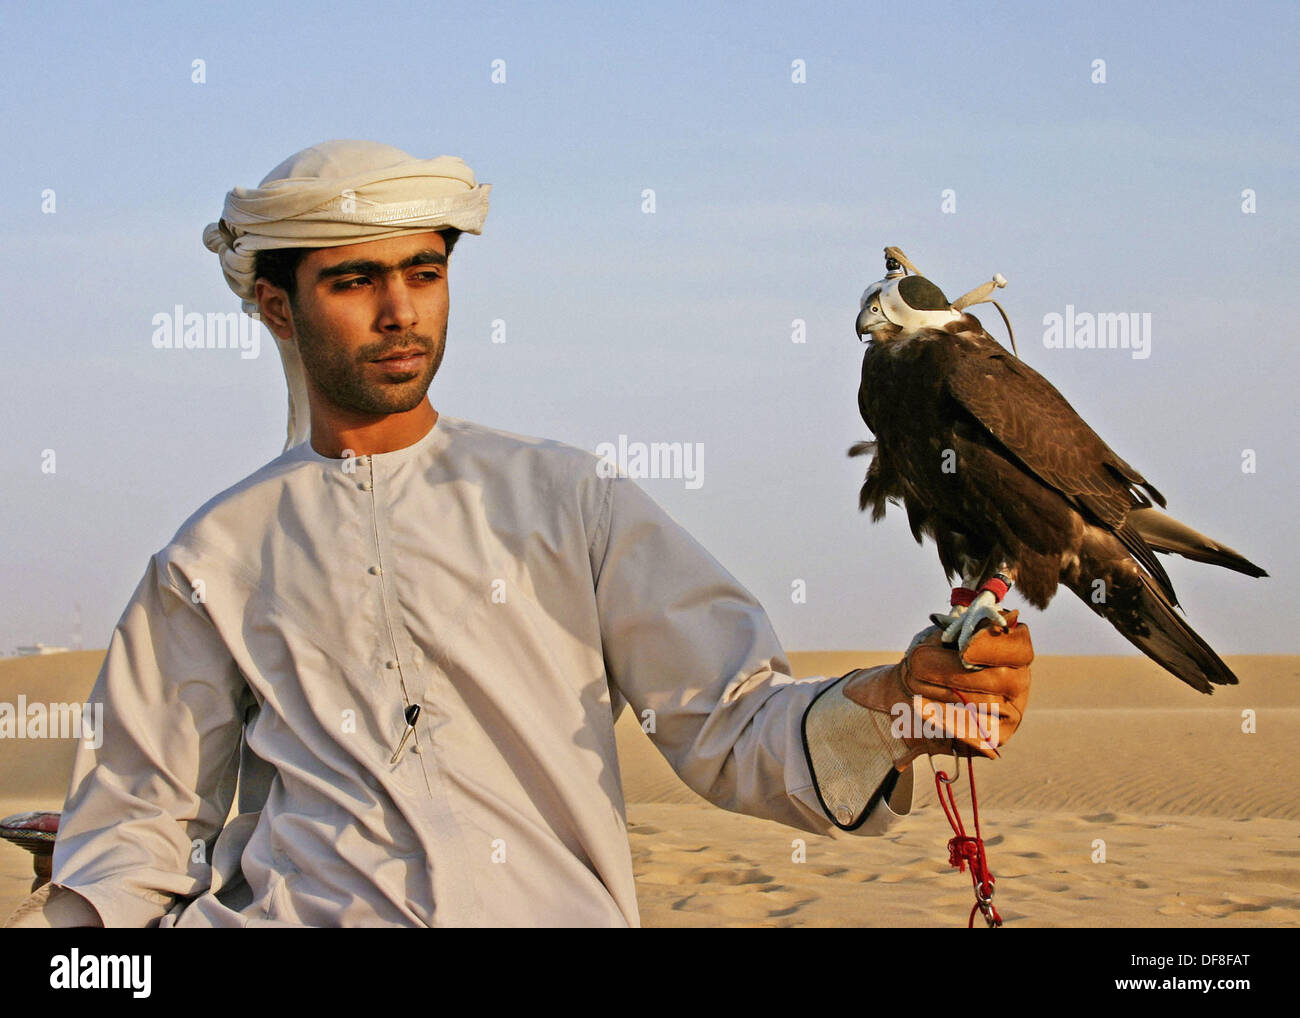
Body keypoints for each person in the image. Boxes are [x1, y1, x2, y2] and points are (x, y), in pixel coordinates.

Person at [8, 141, 1032, 928]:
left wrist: (896, 705)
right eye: (355, 281)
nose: (400, 310)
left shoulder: (565, 497)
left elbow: (730, 722)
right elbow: (131, 834)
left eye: (423, 271)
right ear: (277, 306)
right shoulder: (210, 558)